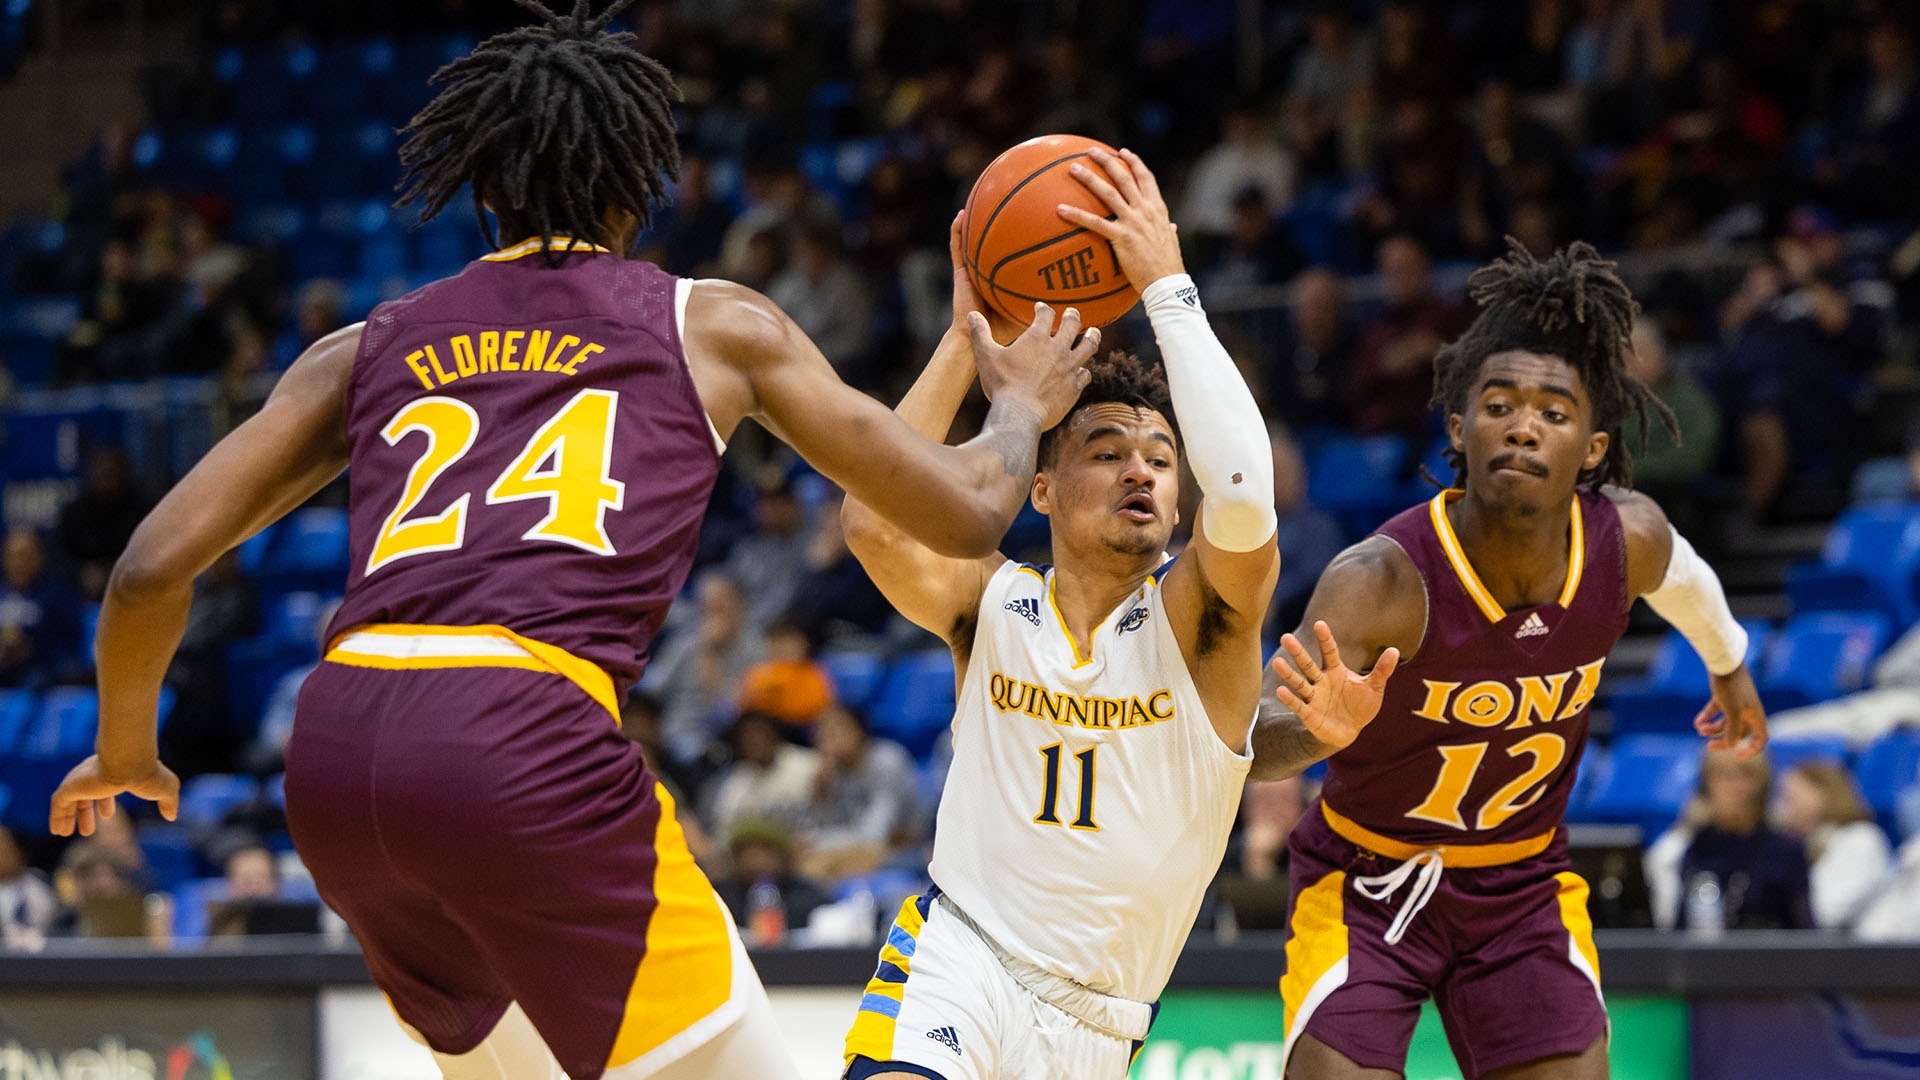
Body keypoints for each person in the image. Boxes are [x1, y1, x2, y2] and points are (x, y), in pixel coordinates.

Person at [46, 2, 1097, 1077]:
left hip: (338, 754)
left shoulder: (360, 349)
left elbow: (146, 569)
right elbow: (970, 508)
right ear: (633, 185)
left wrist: (125, 749)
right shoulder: (712, 324)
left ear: (485, 190)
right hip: (520, 740)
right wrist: (1017, 397)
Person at [838, 148, 1390, 1080]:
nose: (1140, 468)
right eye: (1108, 449)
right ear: (1041, 487)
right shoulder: (990, 601)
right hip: (954, 958)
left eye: (1161, 457)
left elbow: (1248, 493)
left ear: (1180, 502)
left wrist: (1168, 286)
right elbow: (870, 517)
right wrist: (967, 333)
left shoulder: (1202, 623)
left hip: (1102, 1025)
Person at [1254, 238, 1769, 1079]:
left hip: (1521, 883)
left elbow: (1686, 576)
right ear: (1459, 426)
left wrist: (1730, 666)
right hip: (1368, 878)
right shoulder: (1380, 581)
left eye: (1554, 413)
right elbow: (1253, 742)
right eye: (1499, 404)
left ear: (1593, 448)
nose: (1525, 425)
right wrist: (1314, 734)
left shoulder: (1623, 540)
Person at [1674, 750, 1813, 931]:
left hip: (1769, 955)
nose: (1734, 787)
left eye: (1745, 775)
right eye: (1723, 775)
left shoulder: (1785, 851)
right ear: (1706, 785)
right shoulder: (1697, 847)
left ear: (1762, 784)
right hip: (1706, 956)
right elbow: (1680, 929)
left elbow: (1806, 931)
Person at [1772, 760, 1883, 930]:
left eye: (1790, 798)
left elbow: (1829, 913)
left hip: (1858, 950)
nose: (1782, 810)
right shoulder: (1808, 843)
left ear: (1822, 794)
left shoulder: (1862, 839)